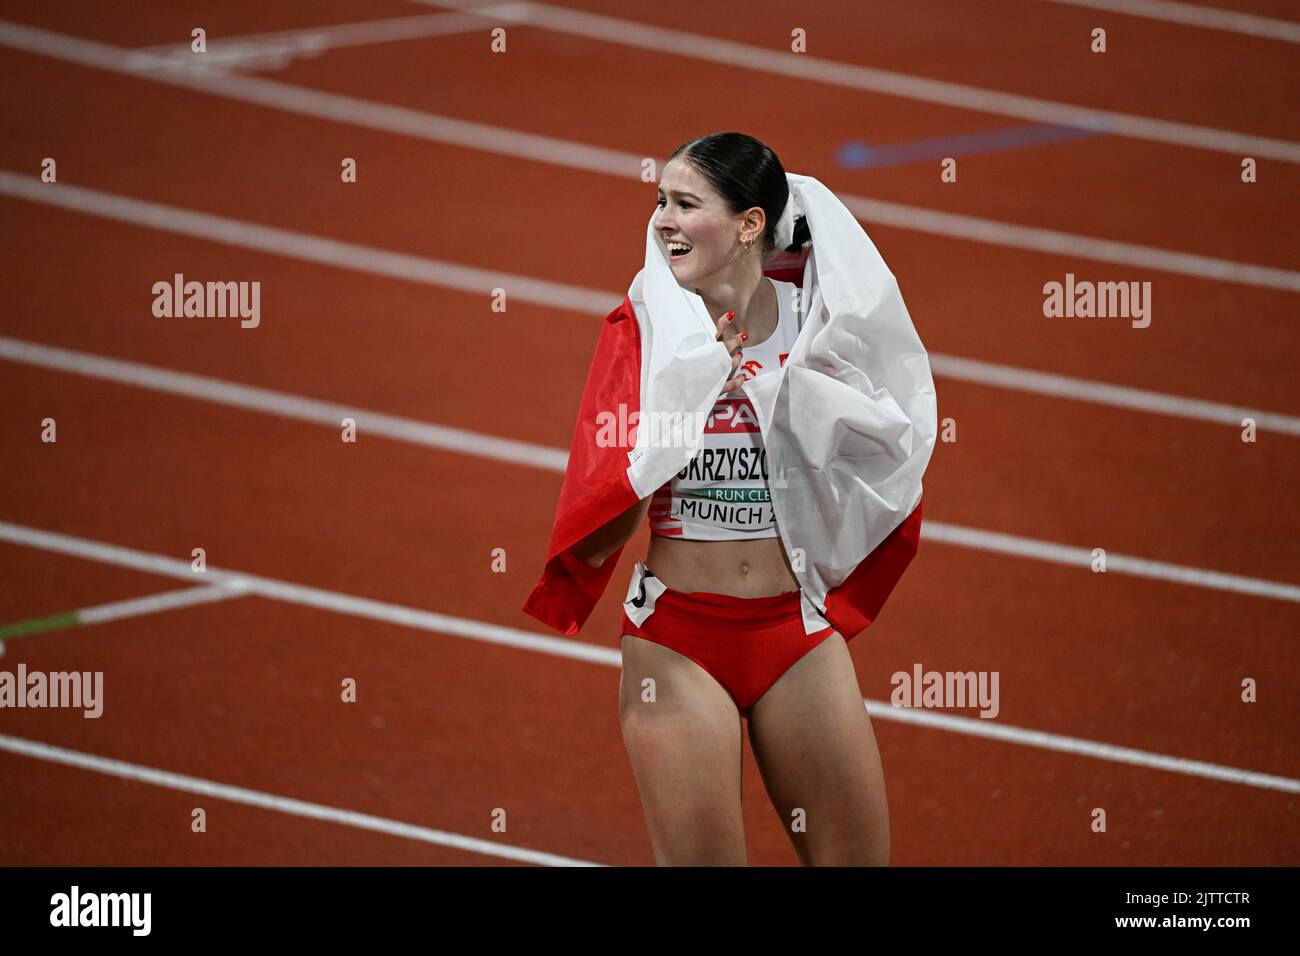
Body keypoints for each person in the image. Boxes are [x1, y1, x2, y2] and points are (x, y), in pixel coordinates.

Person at [522, 132, 935, 866]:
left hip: (796, 634)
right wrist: (683, 409)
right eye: (660, 202)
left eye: (685, 203)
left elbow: (888, 455)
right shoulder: (647, 334)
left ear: (749, 224)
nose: (662, 221)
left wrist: (802, 403)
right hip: (678, 643)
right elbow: (594, 539)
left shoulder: (822, 324)